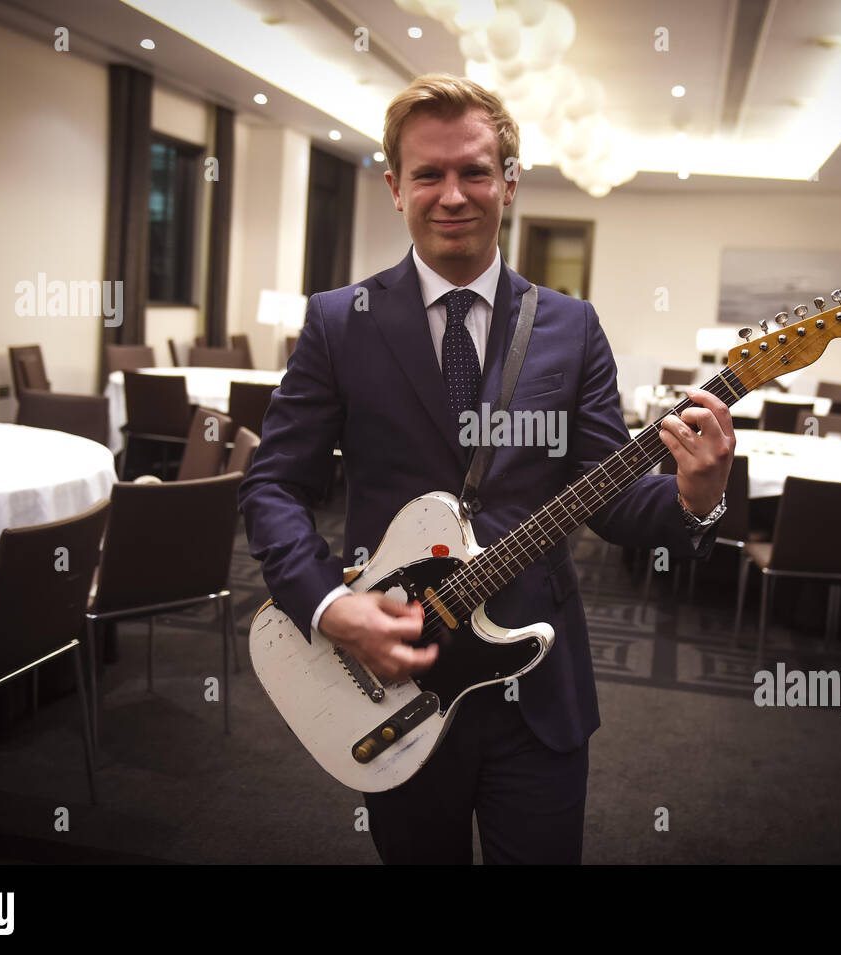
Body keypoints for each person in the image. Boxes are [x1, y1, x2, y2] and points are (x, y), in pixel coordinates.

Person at [239, 73, 734, 864]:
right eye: (428, 174)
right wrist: (330, 606)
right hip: (391, 674)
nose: (452, 194)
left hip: (536, 683)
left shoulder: (571, 327)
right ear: (395, 186)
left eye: (474, 171)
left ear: (508, 182)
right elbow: (274, 485)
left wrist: (695, 492)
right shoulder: (340, 321)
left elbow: (607, 496)